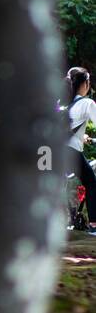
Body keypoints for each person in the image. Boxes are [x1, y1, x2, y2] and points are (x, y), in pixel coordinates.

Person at [66, 67, 96, 230]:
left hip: (47, 150)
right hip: (70, 152)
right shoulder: (87, 103)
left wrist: (81, 136)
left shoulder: (62, 103)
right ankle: (94, 224)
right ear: (85, 83)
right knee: (91, 182)